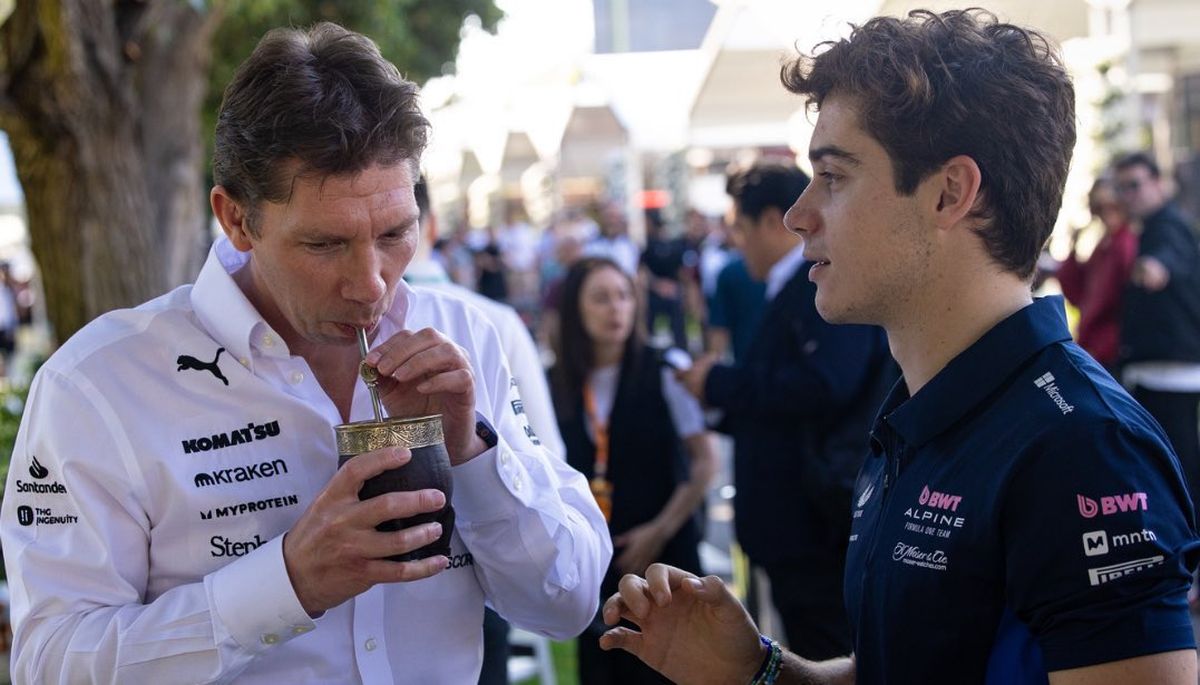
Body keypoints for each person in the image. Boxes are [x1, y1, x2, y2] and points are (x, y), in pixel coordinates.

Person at [600, 9, 1200, 684]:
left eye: (834, 176)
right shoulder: (928, 410)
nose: (799, 215)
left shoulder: (1084, 447)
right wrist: (761, 671)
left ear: (949, 193)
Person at [0, 23, 610, 683]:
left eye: (395, 232)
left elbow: (568, 601)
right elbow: (51, 663)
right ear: (236, 219)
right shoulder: (100, 384)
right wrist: (287, 582)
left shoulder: (469, 335)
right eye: (324, 244)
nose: (372, 281)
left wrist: (475, 455)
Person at [675, 161, 893, 659]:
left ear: (775, 220)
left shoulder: (825, 284)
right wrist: (714, 397)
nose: (735, 242)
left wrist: (720, 383)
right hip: (797, 521)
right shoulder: (790, 285)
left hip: (814, 521)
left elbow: (825, 385)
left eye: (740, 228)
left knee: (828, 654)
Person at [404, 177, 568, 685]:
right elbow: (551, 461)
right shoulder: (494, 320)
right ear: (435, 225)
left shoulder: (483, 322)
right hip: (479, 580)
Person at [551, 257, 716, 684]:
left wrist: (659, 530)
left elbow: (703, 463)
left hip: (666, 555)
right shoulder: (557, 383)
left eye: (624, 296)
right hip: (598, 561)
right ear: (577, 310)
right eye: (601, 298)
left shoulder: (665, 368)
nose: (616, 309)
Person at [1113, 151, 1200, 513]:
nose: (1128, 196)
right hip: (1156, 371)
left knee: (1178, 470)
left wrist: (1149, 269)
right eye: (1122, 189)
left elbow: (1162, 265)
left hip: (1172, 374)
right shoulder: (1152, 228)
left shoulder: (1168, 225)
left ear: (1157, 183)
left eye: (1134, 185)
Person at [1055, 177, 1137, 372]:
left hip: (1109, 351)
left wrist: (1100, 346)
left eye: (1112, 206)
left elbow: (1114, 302)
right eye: (1099, 207)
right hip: (1093, 346)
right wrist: (1073, 247)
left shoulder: (1124, 244)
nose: (1106, 213)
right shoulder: (1104, 246)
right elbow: (1078, 294)